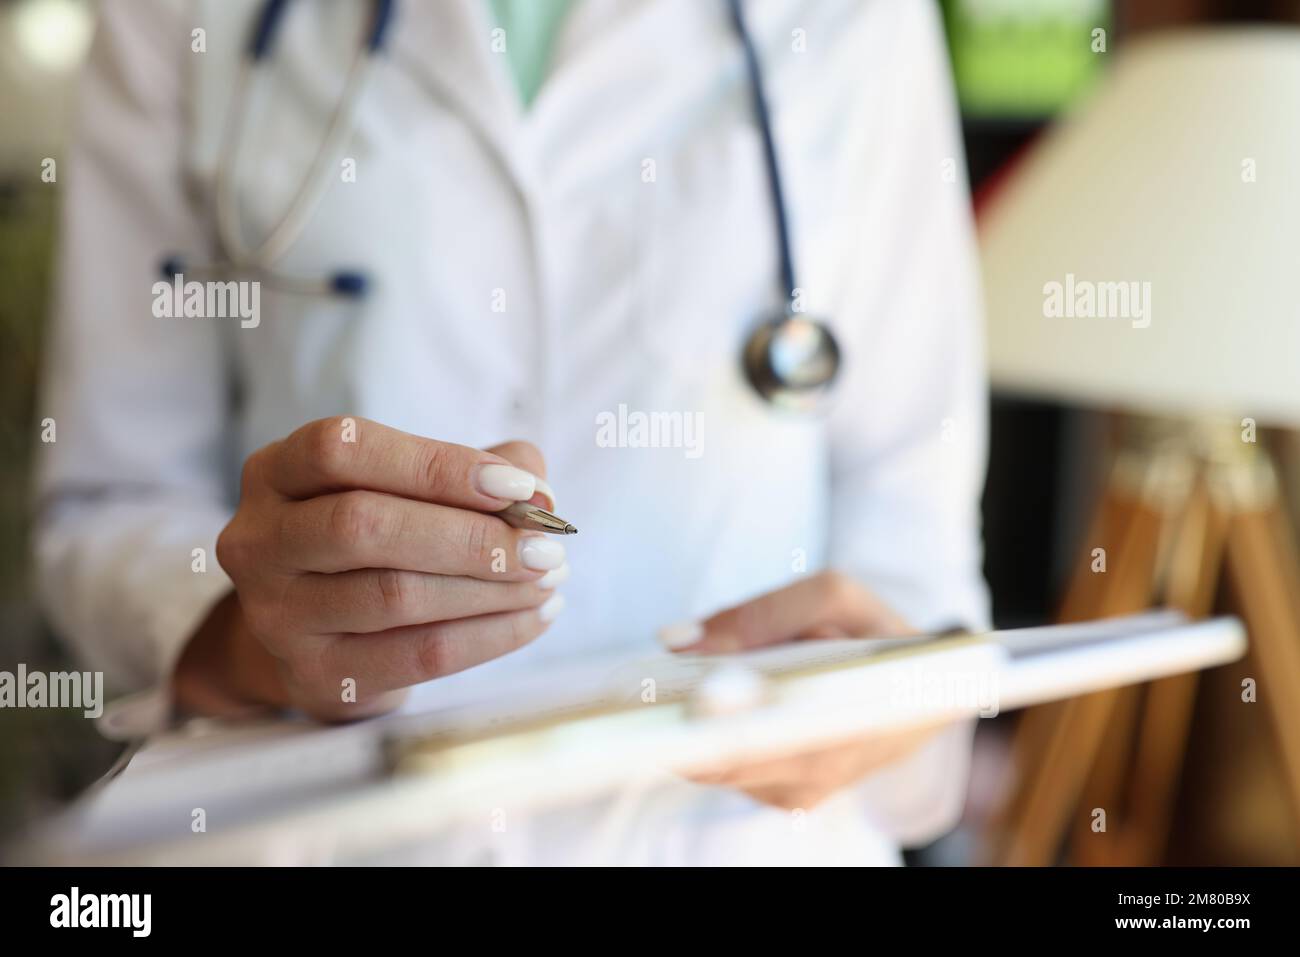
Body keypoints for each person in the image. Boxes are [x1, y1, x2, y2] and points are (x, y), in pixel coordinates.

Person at [35, 0, 989, 865]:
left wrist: (880, 705)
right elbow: (107, 503)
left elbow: (915, 562)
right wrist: (249, 635)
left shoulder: (860, 22)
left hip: (737, 839)